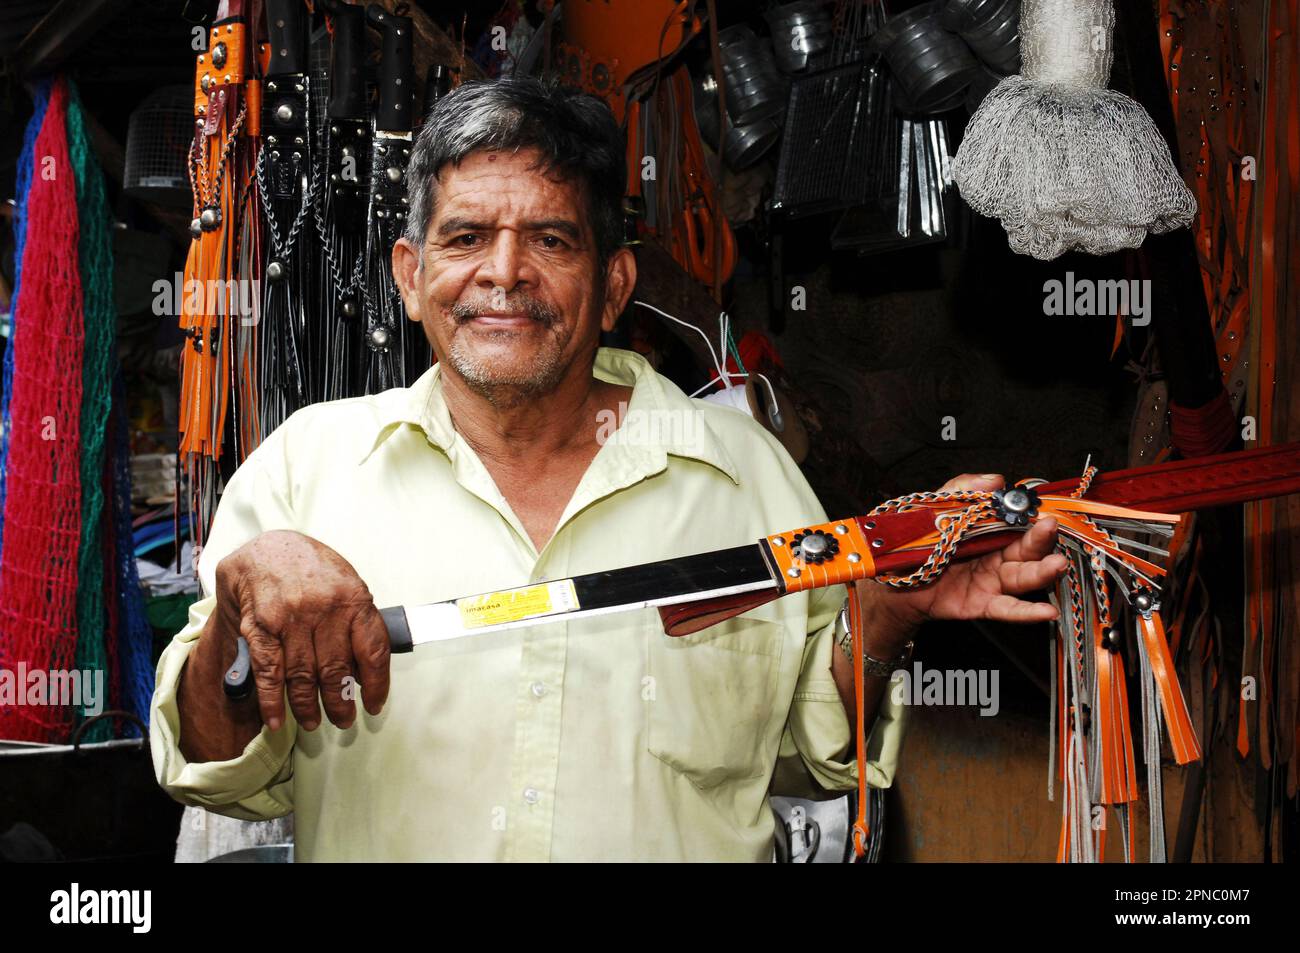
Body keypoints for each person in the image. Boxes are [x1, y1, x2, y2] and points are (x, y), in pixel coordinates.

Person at [150, 78, 1065, 861]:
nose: (503, 274)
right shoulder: (307, 473)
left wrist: (890, 605)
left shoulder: (744, 476)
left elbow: (823, 748)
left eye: (551, 240)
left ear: (617, 284)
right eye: (465, 238)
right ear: (408, 272)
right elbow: (216, 766)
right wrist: (237, 621)